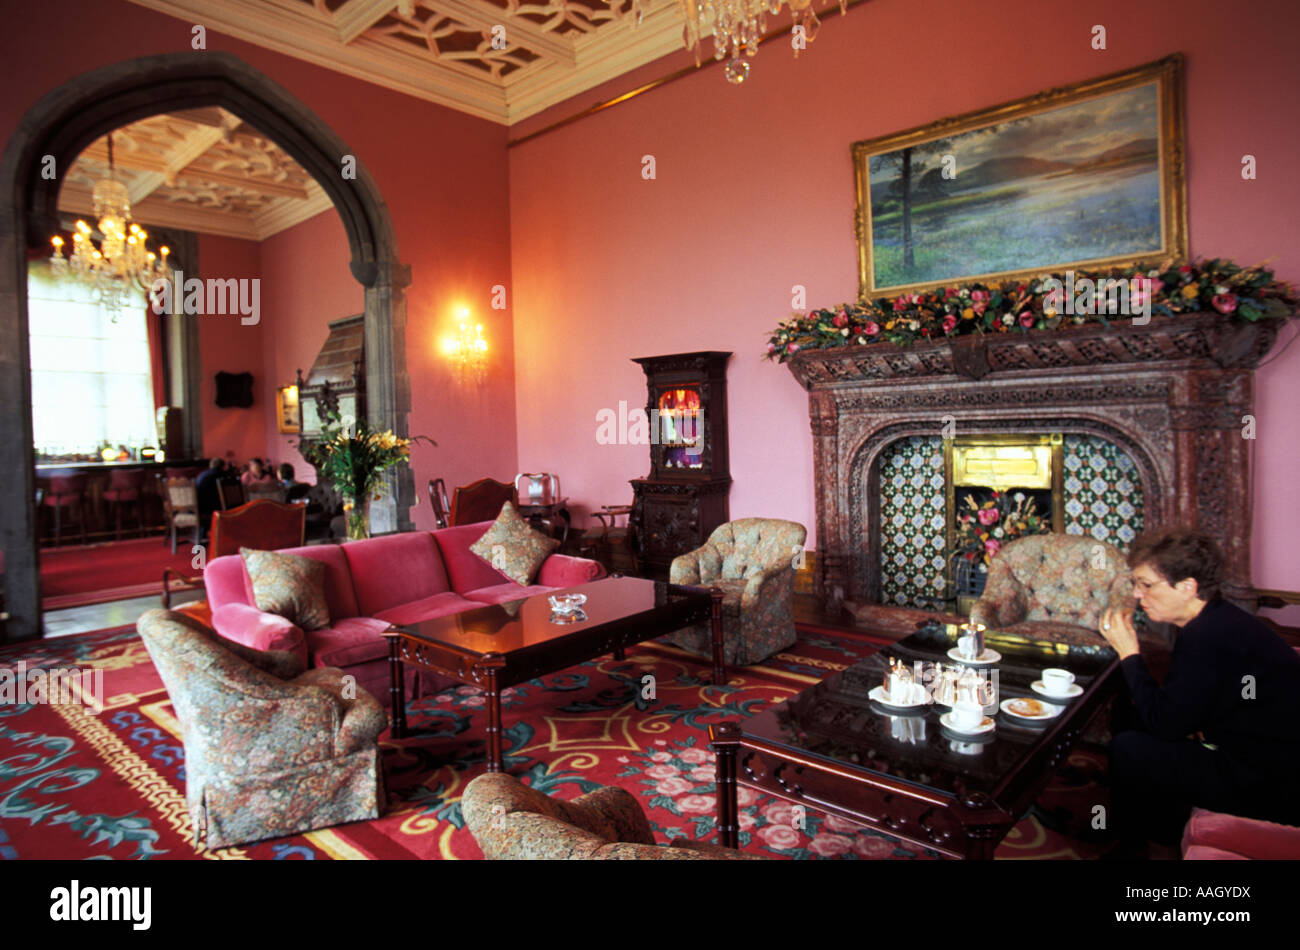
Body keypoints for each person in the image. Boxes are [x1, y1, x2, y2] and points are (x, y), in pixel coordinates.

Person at [1098, 527, 1300, 856]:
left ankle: (1130, 849)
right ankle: (1158, 823)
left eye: (1146, 584)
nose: (1136, 595)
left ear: (1188, 587)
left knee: (1127, 747)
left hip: (1271, 784)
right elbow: (1187, 707)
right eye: (1135, 584)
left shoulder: (1206, 638)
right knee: (1134, 717)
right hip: (1258, 756)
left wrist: (1128, 653)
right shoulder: (1219, 619)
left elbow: (1166, 725)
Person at [193, 459, 225, 543]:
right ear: (222, 466)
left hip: (196, 506)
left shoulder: (202, 474)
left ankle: (203, 534)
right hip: (207, 508)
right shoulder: (219, 475)